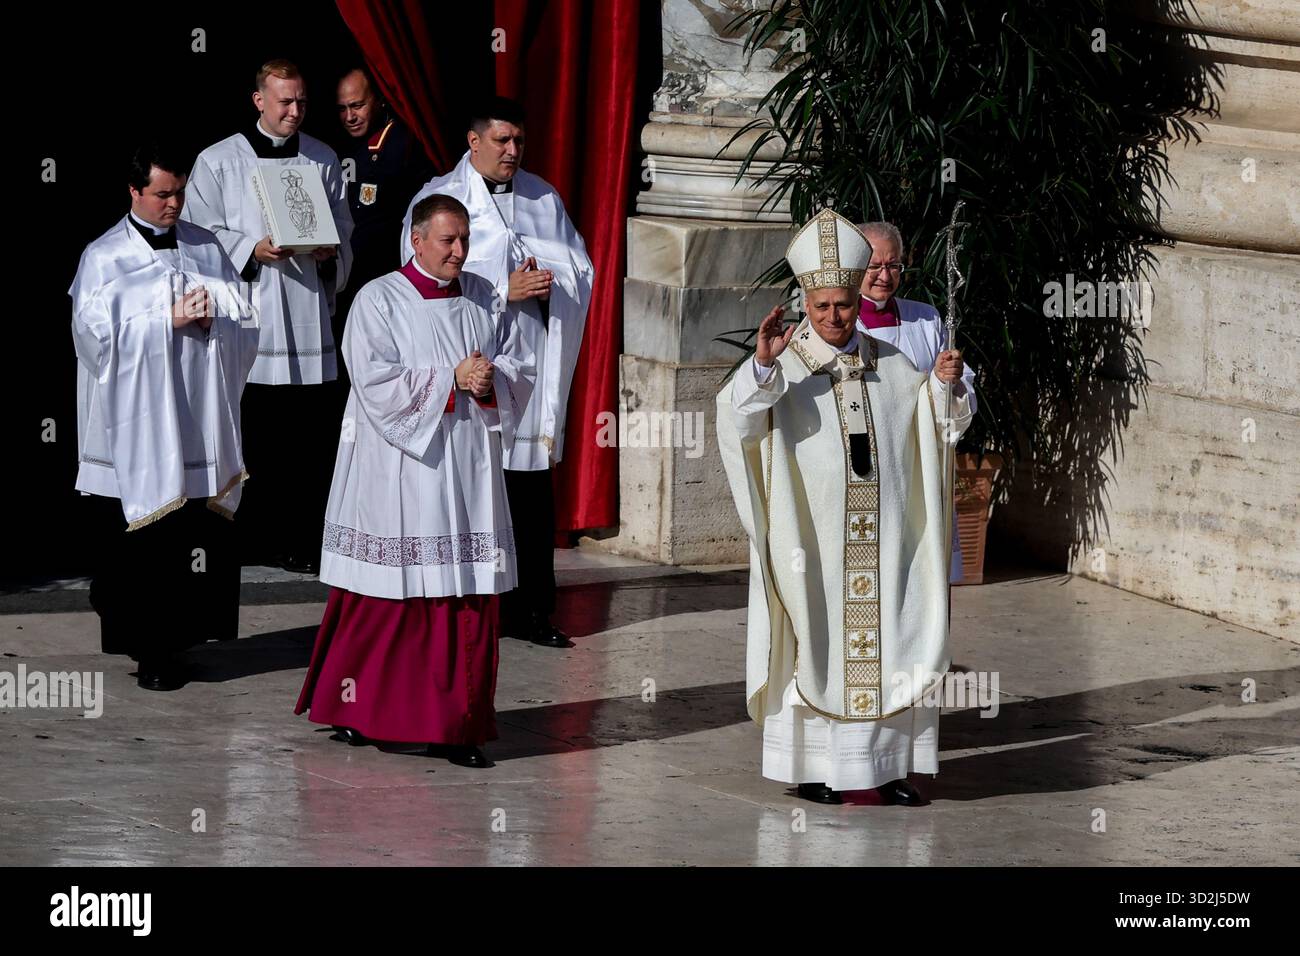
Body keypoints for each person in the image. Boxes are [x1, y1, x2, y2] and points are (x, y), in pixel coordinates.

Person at [716, 209, 972, 806]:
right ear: (805, 298)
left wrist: (943, 385)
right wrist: (761, 367)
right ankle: (809, 769)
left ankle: (886, 769)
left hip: (881, 545)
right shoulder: (782, 364)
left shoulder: (891, 360)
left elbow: (931, 427)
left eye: (845, 306)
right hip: (812, 546)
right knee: (817, 641)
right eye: (822, 306)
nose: (833, 318)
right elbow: (739, 424)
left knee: (890, 642)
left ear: (859, 299)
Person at [294, 194, 535, 769]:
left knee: (462, 596)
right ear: (417, 240)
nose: (459, 251)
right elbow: (374, 382)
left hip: (468, 466)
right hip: (402, 470)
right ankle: (359, 710)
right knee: (388, 596)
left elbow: (516, 363)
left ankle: (457, 725)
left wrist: (491, 379)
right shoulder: (378, 300)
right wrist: (450, 380)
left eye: (465, 240)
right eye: (448, 240)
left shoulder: (481, 295)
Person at [401, 96, 593, 648]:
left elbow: (580, 265)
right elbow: (420, 281)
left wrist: (550, 278)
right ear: (474, 141)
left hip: (527, 358)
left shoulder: (542, 197)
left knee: (529, 489)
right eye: (503, 141)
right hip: (467, 365)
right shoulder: (440, 199)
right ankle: (471, 603)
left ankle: (532, 610)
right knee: (473, 483)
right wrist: (502, 290)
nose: (513, 151)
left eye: (519, 141)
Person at [71, 142, 259, 690]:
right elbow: (92, 338)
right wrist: (164, 319)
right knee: (144, 538)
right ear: (134, 191)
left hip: (195, 414)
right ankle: (149, 650)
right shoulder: (104, 256)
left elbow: (244, 316)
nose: (174, 204)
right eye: (162, 195)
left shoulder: (206, 246)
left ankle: (184, 639)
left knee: (191, 534)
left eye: (179, 193)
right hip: (137, 425)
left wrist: (213, 318)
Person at [184, 58, 354, 573]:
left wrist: (332, 253)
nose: (295, 111)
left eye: (302, 101)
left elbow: (345, 226)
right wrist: (249, 249)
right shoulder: (218, 160)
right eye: (285, 101)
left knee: (304, 439)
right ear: (259, 100)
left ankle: (302, 540)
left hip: (305, 313)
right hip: (251, 316)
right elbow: (197, 233)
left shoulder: (322, 158)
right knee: (253, 431)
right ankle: (248, 537)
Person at [856, 220, 977, 581]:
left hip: (923, 464)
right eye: (874, 266)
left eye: (893, 265)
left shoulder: (924, 318)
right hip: (870, 464)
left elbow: (960, 386)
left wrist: (947, 380)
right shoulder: (840, 323)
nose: (884, 276)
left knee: (925, 578)